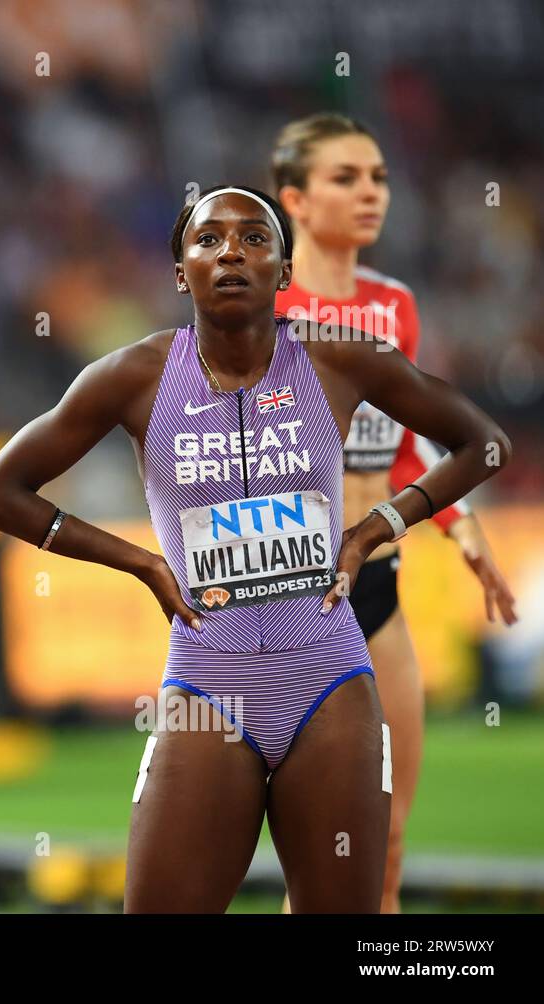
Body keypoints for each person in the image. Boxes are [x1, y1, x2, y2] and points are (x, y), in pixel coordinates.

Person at [0, 185, 511, 912]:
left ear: (285, 273)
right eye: (208, 240)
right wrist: (141, 562)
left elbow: (484, 444)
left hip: (331, 684)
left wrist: (375, 528)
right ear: (179, 272)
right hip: (205, 685)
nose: (231, 251)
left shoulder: (337, 360)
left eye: (255, 239)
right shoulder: (135, 375)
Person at [271, 112, 517, 912]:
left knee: (387, 839)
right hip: (289, 598)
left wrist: (462, 524)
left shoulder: (393, 306)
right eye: (345, 178)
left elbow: (405, 449)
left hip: (378, 584)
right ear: (295, 201)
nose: (370, 192)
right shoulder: (260, 311)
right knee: (314, 855)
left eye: (377, 175)